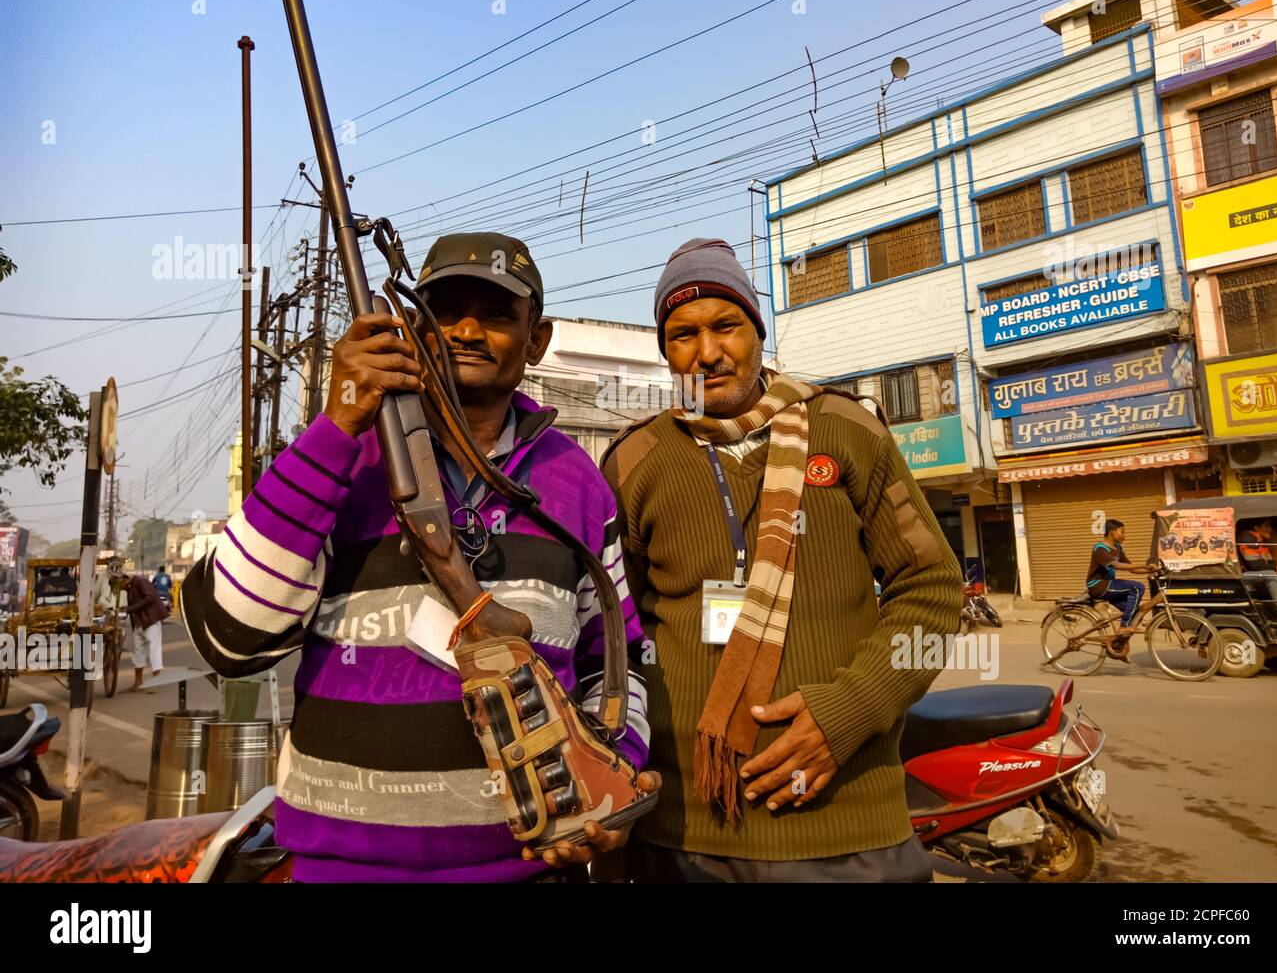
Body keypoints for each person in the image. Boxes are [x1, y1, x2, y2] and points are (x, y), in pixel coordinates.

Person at [181, 231, 653, 883]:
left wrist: (607, 778)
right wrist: (338, 423)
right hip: (339, 871)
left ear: (536, 340)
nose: (465, 329)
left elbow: (618, 667)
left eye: (494, 314)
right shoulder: (337, 454)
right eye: (443, 310)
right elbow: (234, 636)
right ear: (410, 326)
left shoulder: (579, 481)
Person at [599, 238, 962, 883]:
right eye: (682, 335)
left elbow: (933, 592)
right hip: (683, 834)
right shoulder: (636, 460)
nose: (707, 352)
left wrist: (849, 711)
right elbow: (609, 633)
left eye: (725, 326)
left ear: (757, 331)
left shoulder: (846, 430)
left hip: (853, 832)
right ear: (665, 352)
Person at [1085, 519, 1152, 629]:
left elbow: (1132, 569)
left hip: (1110, 585)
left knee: (1134, 612)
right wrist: (1144, 564)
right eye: (1122, 532)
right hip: (1099, 585)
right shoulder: (1100, 548)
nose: (1124, 535)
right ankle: (1124, 627)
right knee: (1137, 587)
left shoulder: (1118, 548)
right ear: (1112, 532)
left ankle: (1118, 643)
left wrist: (1152, 570)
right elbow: (1117, 565)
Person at [119, 572, 166, 690]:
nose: (120, 587)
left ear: (125, 579)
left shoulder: (141, 582)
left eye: (120, 583)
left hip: (150, 621)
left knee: (154, 651)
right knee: (138, 652)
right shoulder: (130, 587)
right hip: (139, 623)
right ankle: (138, 682)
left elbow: (150, 598)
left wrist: (130, 609)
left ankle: (157, 682)